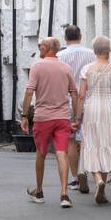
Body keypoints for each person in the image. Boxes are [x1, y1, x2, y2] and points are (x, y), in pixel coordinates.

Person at [20, 37, 79, 208]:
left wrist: (24, 116)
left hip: (43, 118)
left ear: (46, 48)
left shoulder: (37, 66)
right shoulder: (66, 68)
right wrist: (75, 118)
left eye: (40, 46)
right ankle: (64, 194)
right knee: (62, 152)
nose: (39, 48)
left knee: (41, 153)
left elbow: (29, 92)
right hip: (62, 118)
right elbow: (74, 94)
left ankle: (39, 191)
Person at [75, 36, 111, 205]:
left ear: (94, 51)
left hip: (92, 109)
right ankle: (103, 186)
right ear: (109, 50)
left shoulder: (87, 69)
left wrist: (77, 117)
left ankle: (97, 179)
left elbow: (82, 95)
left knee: (92, 145)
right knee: (108, 145)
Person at [56, 25, 95, 193]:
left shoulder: (60, 56)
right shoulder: (92, 54)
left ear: (65, 38)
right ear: (81, 35)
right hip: (89, 99)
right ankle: (86, 170)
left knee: (70, 140)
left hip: (68, 101)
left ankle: (76, 178)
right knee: (88, 139)